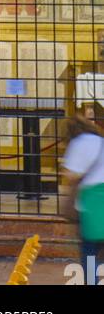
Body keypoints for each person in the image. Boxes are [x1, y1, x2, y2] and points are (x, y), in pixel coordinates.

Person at [61, 108, 104, 285]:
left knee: (89, 249)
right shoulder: (101, 140)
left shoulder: (77, 143)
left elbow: (70, 174)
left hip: (92, 199)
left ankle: (92, 282)